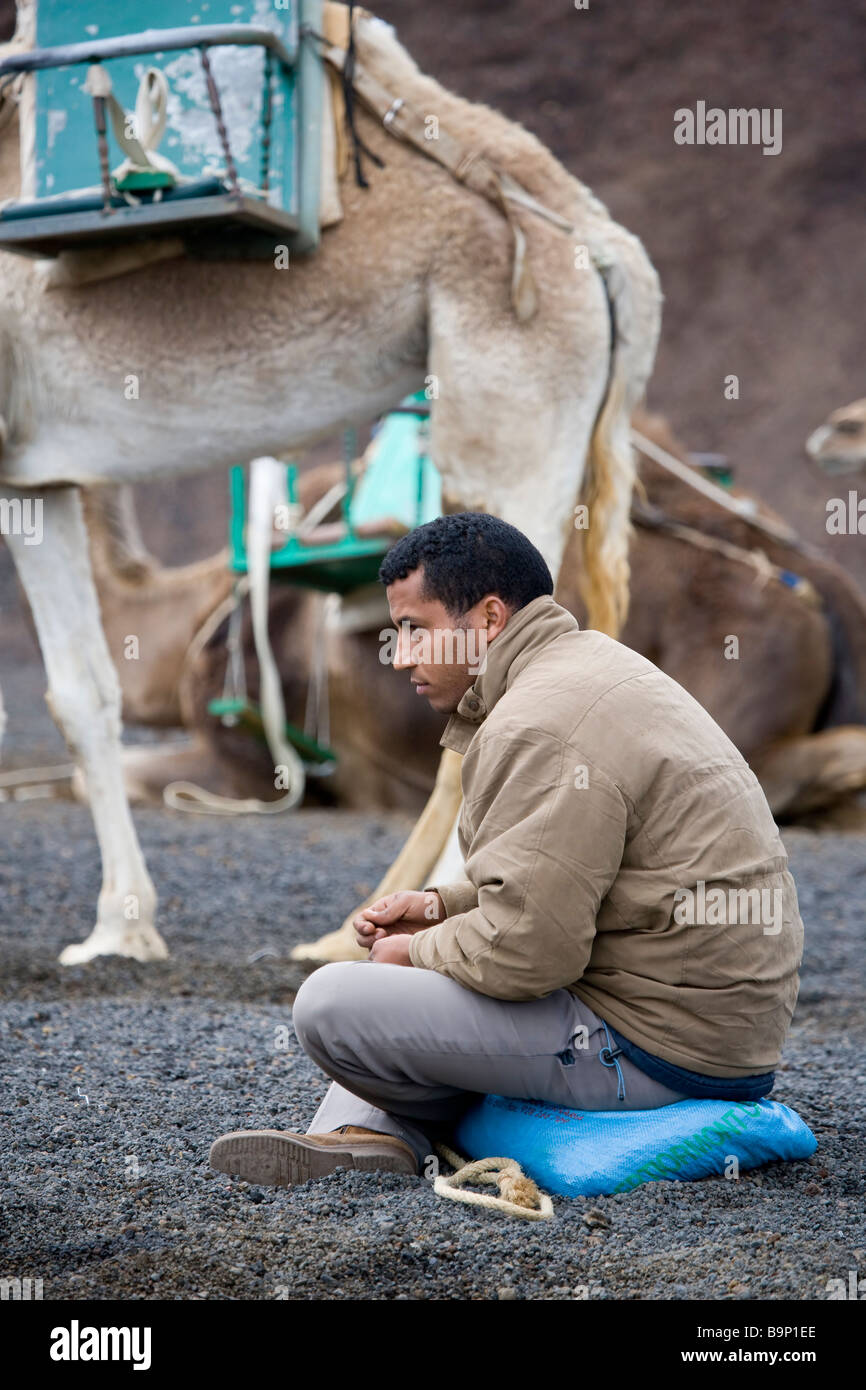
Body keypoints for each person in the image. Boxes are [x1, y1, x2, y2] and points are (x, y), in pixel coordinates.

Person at [210, 513, 803, 1186]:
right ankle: (365, 1137)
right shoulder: (588, 670)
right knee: (421, 972)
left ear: (489, 619)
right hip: (718, 1037)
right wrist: (442, 907)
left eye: (415, 630)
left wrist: (418, 951)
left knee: (333, 1006)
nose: (400, 657)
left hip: (660, 1054)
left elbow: (530, 953)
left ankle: (376, 1134)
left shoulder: (538, 723)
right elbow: (585, 873)